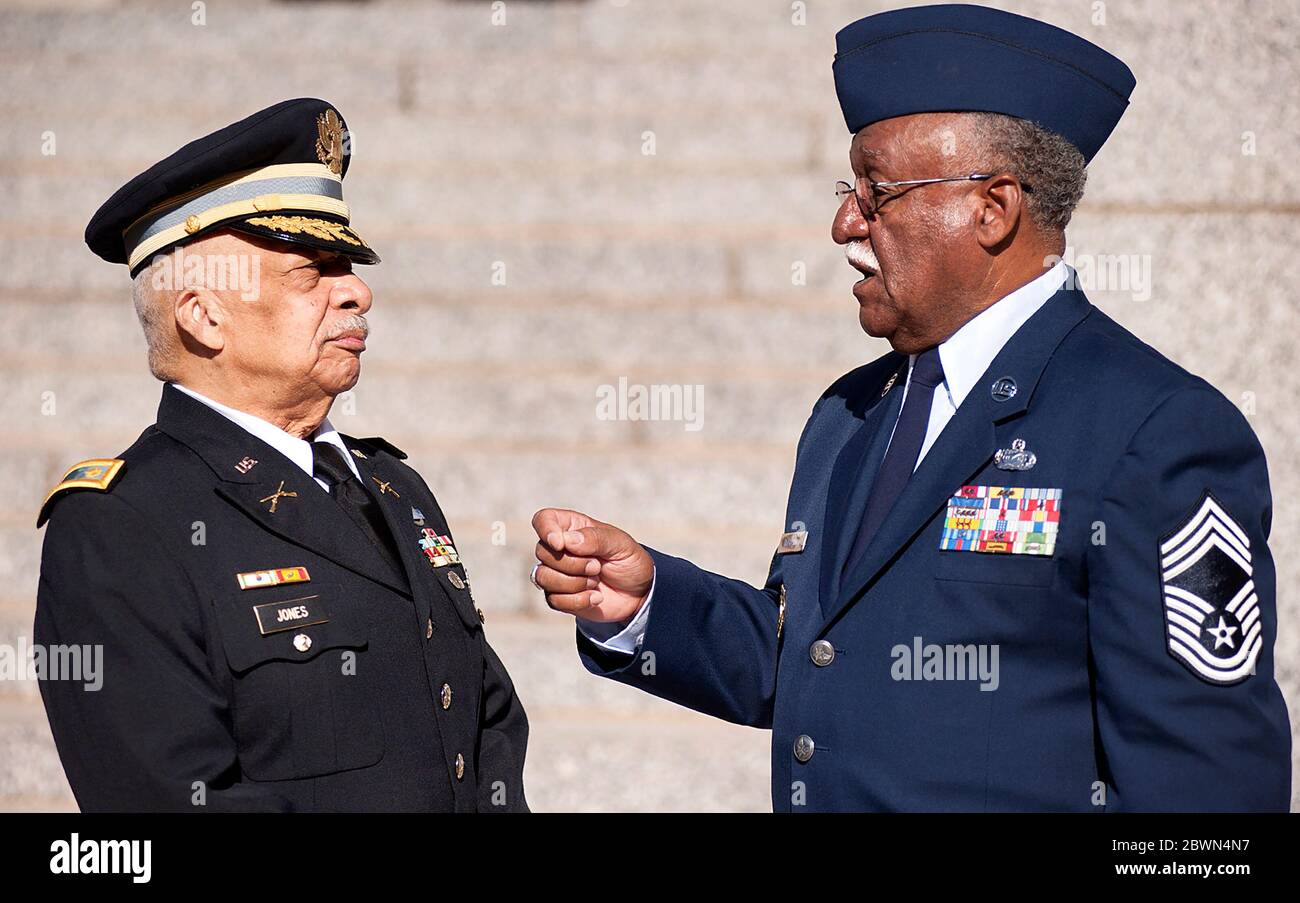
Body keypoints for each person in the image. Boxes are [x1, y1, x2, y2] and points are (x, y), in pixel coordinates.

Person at [530, 4, 1291, 811]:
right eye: (848, 189)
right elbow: (820, 656)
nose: (843, 224)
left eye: (878, 192)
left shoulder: (1155, 429)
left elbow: (1211, 796)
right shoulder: (851, 412)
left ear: (992, 209)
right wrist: (650, 606)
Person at [35, 98, 528, 812]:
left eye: (350, 265)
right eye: (314, 271)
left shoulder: (393, 486)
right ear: (204, 316)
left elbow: (485, 729)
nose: (358, 290)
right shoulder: (121, 527)